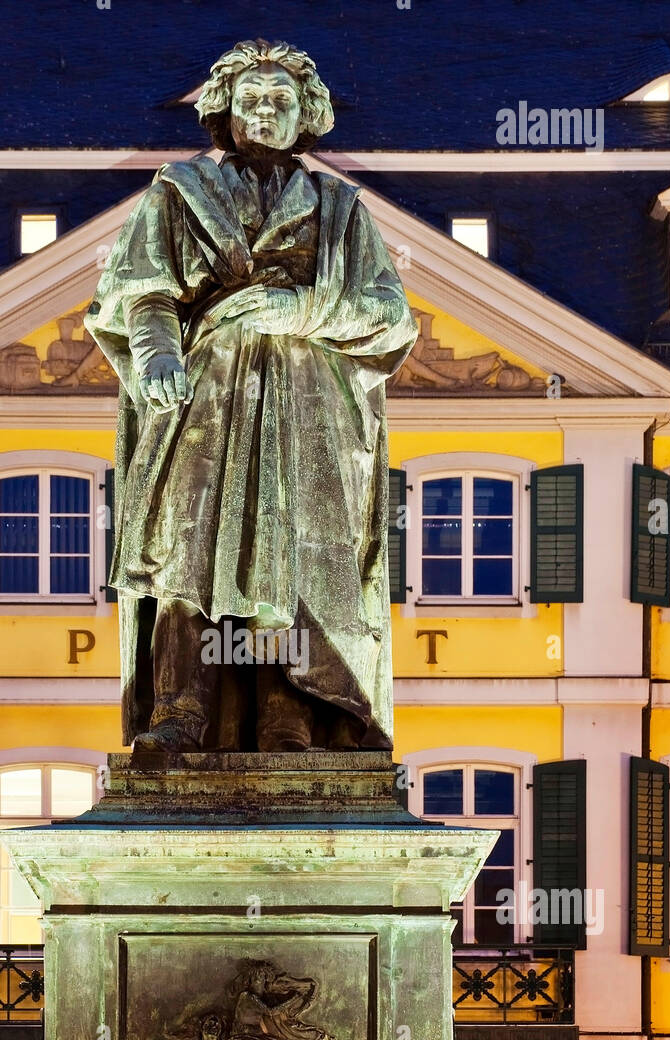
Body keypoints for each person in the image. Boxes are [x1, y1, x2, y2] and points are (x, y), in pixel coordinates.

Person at [86, 39, 416, 762]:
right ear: (225, 115)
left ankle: (289, 719)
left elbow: (392, 318)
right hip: (203, 401)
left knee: (290, 563)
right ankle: (178, 713)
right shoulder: (178, 193)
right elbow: (140, 289)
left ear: (306, 117)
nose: (265, 114)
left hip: (308, 412)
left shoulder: (341, 208)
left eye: (280, 102)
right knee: (183, 554)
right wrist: (158, 351)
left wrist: (297, 307)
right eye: (251, 102)